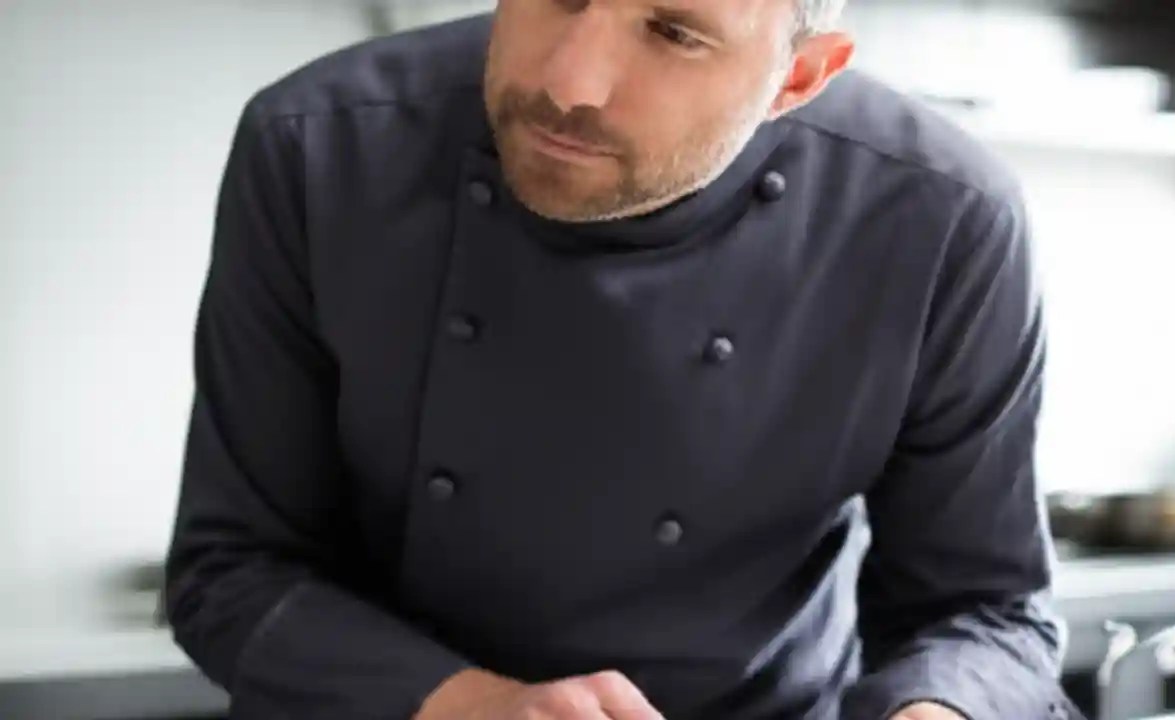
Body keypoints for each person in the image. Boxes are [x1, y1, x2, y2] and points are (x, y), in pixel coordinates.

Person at [164, 1, 1085, 718]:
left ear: (799, 76)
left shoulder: (943, 218)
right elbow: (231, 574)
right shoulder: (319, 147)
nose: (570, 83)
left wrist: (934, 712)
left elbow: (985, 611)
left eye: (674, 33)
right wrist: (471, 707)